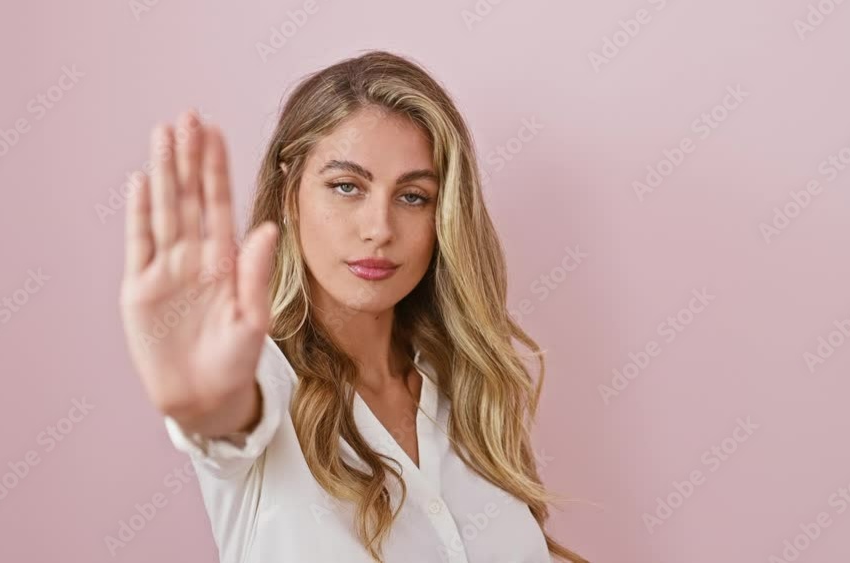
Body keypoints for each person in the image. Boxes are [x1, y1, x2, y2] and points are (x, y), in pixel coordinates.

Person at [119, 50, 588, 563]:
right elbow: (228, 418)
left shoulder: (468, 386)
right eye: (346, 187)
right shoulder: (263, 380)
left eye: (413, 197)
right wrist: (203, 406)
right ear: (288, 191)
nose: (379, 229)